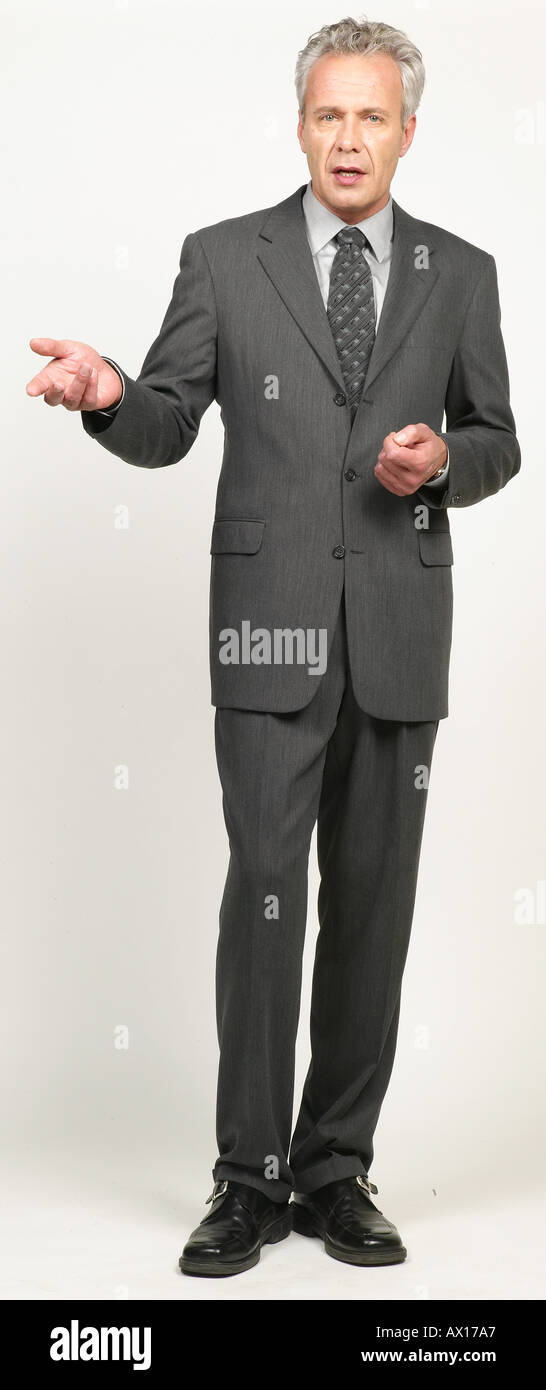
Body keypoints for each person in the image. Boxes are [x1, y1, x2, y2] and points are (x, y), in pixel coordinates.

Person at [26, 17, 520, 1278]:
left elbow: (498, 438)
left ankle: (335, 1170)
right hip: (269, 628)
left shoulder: (462, 273)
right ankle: (245, 1178)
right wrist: (106, 398)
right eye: (327, 115)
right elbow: (168, 423)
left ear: (409, 129)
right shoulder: (224, 260)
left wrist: (443, 466)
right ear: (298, 125)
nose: (348, 138)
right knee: (265, 897)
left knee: (373, 911)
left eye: (372, 117)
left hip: (401, 630)